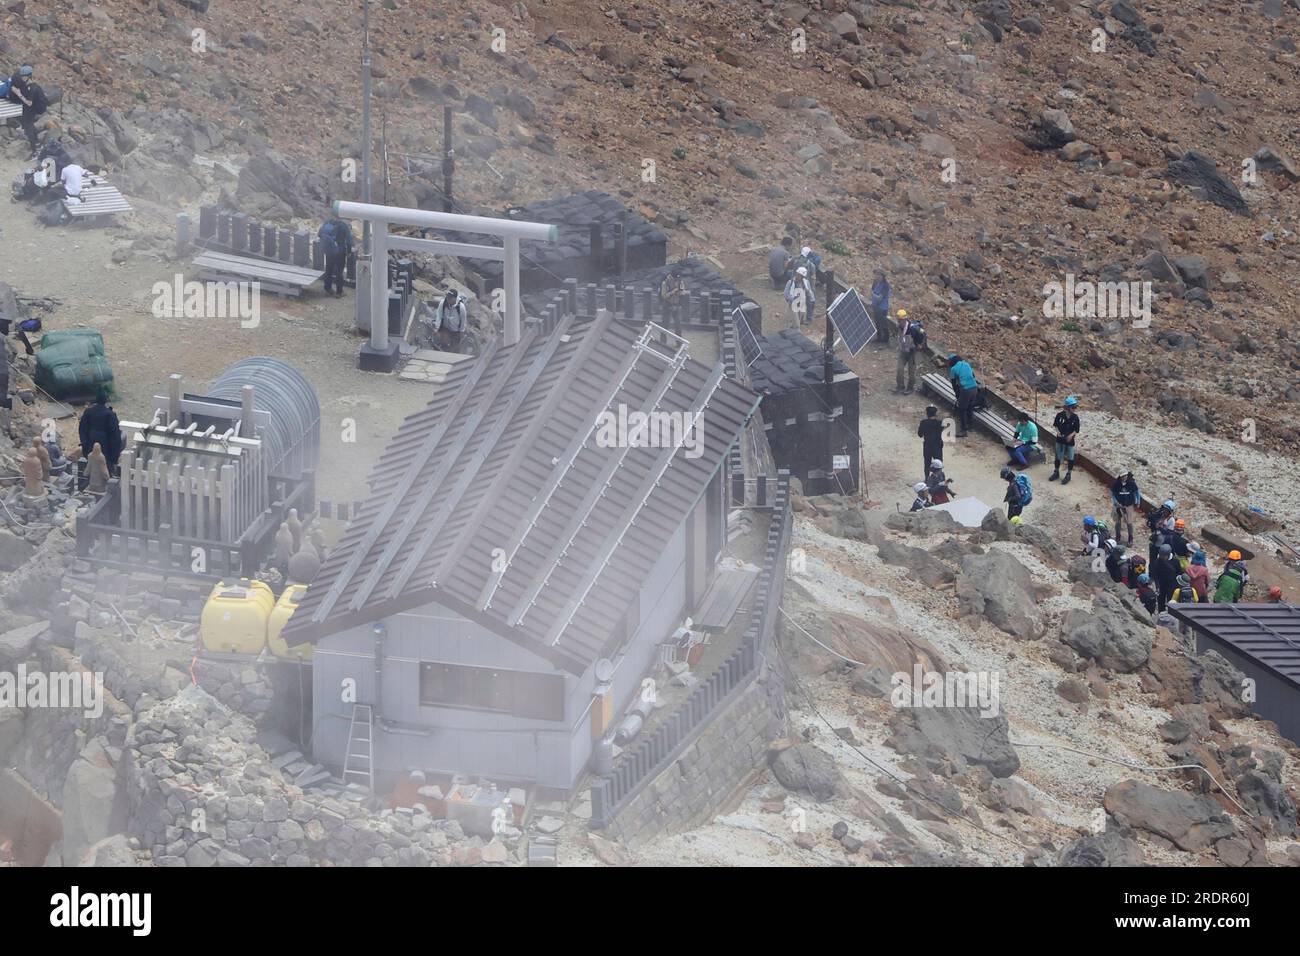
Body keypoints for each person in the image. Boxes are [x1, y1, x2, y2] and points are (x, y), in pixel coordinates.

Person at [7, 65, 48, 155]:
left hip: (32, 109)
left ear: (29, 76)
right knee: (30, 127)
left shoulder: (32, 88)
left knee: (29, 128)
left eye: (24, 76)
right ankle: (37, 144)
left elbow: (29, 103)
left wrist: (18, 94)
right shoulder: (30, 86)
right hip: (31, 109)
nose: (22, 78)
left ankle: (35, 151)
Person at [78, 390, 122, 473]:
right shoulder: (110, 414)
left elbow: (82, 429)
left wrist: (84, 443)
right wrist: (115, 453)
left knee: (91, 461)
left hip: (90, 441)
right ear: (105, 400)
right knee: (105, 464)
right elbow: (115, 434)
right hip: (105, 443)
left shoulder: (88, 412)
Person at [318, 215, 354, 297]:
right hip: (340, 251)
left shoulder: (327, 222)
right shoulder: (343, 226)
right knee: (339, 272)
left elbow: (319, 234)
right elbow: (349, 241)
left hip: (329, 250)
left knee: (328, 269)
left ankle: (327, 288)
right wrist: (349, 252)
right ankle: (339, 292)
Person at [1049, 395, 1080, 484]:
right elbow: (1056, 425)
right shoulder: (1059, 415)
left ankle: (1068, 474)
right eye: (1073, 407)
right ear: (1068, 407)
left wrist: (1071, 435)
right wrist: (1058, 432)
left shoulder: (1075, 418)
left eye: (1075, 407)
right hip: (1060, 440)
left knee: (1070, 458)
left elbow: (1076, 430)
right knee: (1058, 456)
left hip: (1070, 441)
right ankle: (1056, 472)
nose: (1074, 409)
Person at [948, 354, 979, 437]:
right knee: (970, 407)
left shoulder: (953, 369)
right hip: (975, 388)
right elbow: (973, 376)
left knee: (962, 409)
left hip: (966, 390)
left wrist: (958, 396)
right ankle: (970, 426)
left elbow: (954, 385)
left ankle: (963, 430)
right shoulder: (966, 364)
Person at [895, 310, 923, 394]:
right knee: (899, 369)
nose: (899, 322)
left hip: (912, 352)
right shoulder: (899, 327)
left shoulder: (913, 329)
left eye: (900, 321)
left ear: (905, 320)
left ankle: (910, 388)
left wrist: (919, 345)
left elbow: (922, 336)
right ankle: (900, 386)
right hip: (903, 351)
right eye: (898, 320)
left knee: (911, 371)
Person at [1110, 469, 1141, 546]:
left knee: (1129, 522)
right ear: (1120, 477)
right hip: (1118, 505)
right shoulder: (1116, 484)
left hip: (1128, 505)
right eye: (1123, 476)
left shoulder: (1132, 483)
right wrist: (1115, 502)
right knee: (1117, 521)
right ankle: (1118, 537)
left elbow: (1137, 492)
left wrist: (1138, 502)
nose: (1125, 477)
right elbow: (1113, 494)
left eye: (1126, 475)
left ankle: (1130, 538)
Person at [433, 288, 468, 353]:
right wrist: (437, 328)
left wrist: (461, 332)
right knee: (444, 343)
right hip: (445, 328)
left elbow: (463, 321)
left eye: (450, 298)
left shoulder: (461, 307)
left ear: (455, 298)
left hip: (456, 330)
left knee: (455, 348)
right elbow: (439, 315)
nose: (448, 299)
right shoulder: (442, 303)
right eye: (447, 297)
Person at [917, 405, 944, 478]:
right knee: (939, 463)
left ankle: (926, 479)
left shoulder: (923, 422)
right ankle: (939, 479)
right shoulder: (940, 423)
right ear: (935, 413)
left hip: (928, 445)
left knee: (927, 463)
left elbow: (920, 434)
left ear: (927, 413)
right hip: (937, 445)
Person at [1152, 543, 1179, 612]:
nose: (1162, 557)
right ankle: (1161, 614)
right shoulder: (1157, 561)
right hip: (1161, 584)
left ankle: (1171, 614)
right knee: (1160, 600)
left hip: (1171, 584)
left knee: (1171, 600)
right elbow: (1155, 574)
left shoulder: (1175, 561)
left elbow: (1179, 572)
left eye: (1163, 556)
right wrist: (1157, 585)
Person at [871, 270, 892, 347]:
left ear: (882, 276)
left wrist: (873, 295)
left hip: (882, 308)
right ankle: (879, 338)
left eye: (879, 275)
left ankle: (886, 340)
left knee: (883, 324)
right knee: (877, 323)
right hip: (875, 307)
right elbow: (873, 290)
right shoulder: (875, 282)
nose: (877, 276)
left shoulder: (886, 285)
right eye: (876, 274)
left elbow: (880, 298)